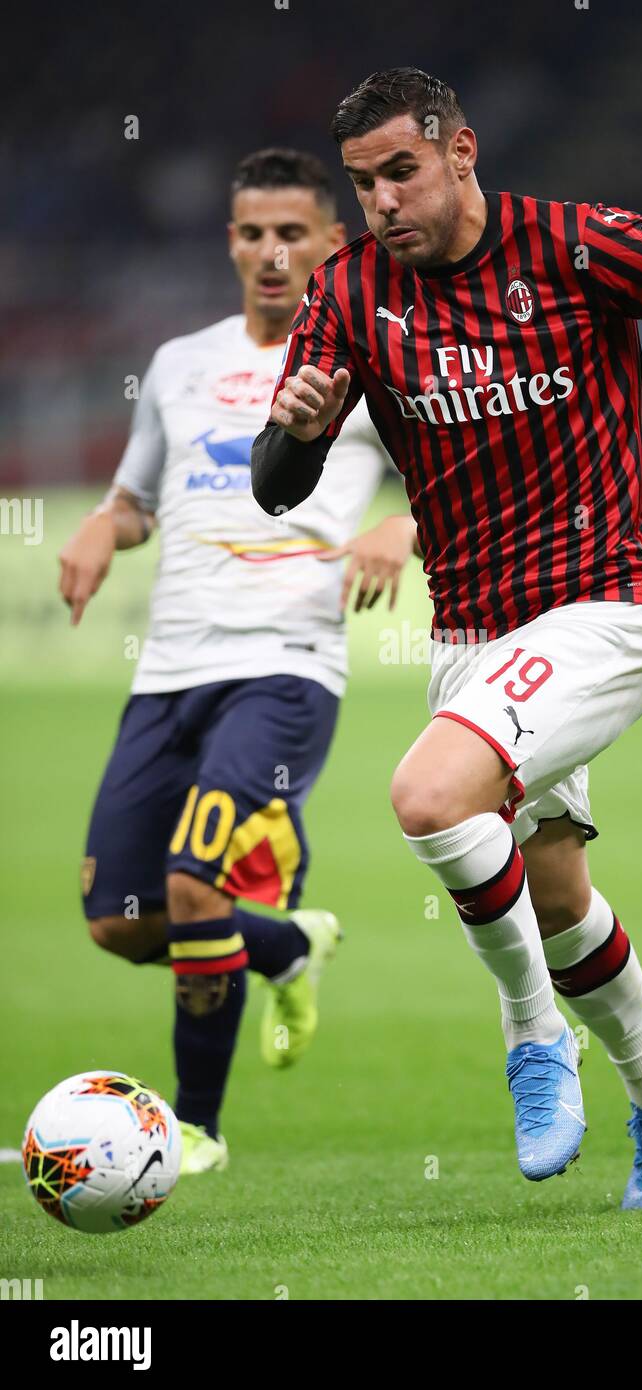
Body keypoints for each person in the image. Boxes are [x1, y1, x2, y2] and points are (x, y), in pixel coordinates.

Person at [251, 72, 642, 1208]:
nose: (379, 200)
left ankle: (532, 1040)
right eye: (362, 182)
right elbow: (277, 487)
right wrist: (296, 437)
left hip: (604, 607)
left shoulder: (572, 247)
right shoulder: (348, 293)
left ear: (460, 151)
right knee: (559, 897)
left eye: (400, 171)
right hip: (471, 636)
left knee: (429, 798)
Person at [59, 147, 416, 1175]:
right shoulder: (178, 364)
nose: (271, 253)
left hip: (287, 667)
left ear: (331, 243)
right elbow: (136, 501)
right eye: (252, 233)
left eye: (292, 233)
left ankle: (196, 1129)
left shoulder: (371, 357)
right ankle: (289, 944)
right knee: (118, 923)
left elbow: (455, 481)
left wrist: (403, 527)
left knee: (192, 884)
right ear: (230, 242)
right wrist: (100, 525)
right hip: (168, 671)